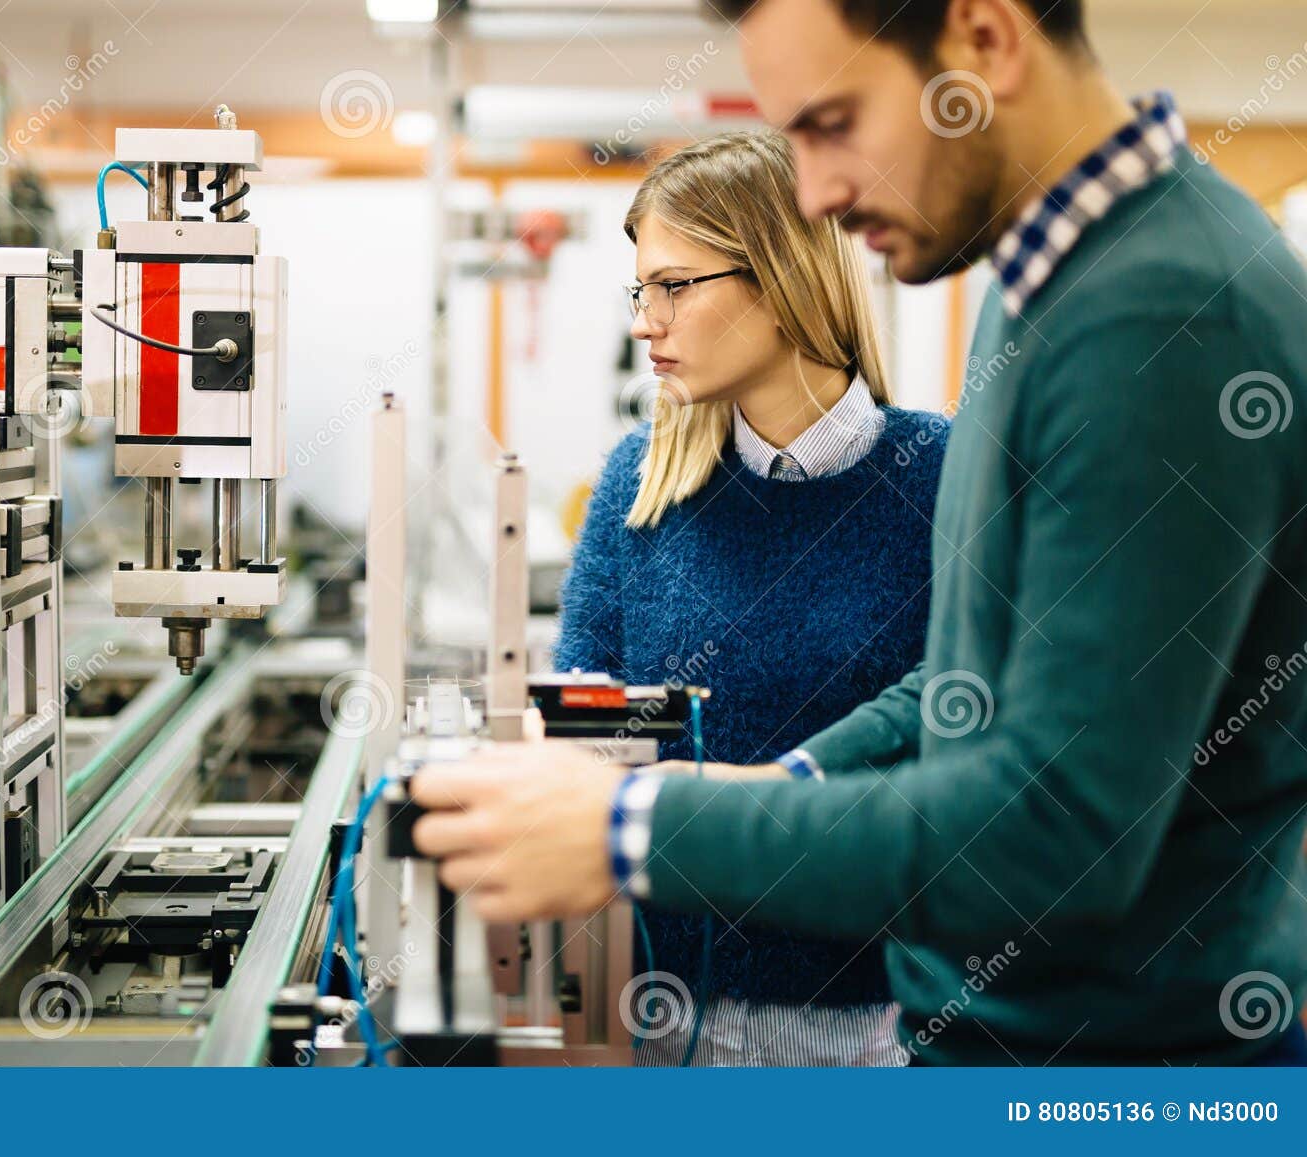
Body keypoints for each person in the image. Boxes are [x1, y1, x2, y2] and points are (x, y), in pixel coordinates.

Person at [411, 0, 1307, 1065]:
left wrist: (631, 831)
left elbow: (1057, 825)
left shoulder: (1159, 315)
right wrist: (779, 781)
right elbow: (962, 685)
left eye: (834, 123)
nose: (816, 193)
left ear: (983, 37)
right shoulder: (1055, 290)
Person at [558, 130, 946, 1065]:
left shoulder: (946, 477)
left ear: (779, 276)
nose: (646, 321)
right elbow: (578, 725)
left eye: (674, 286)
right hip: (657, 1021)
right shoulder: (638, 485)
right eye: (639, 291)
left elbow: (970, 744)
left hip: (879, 1032)